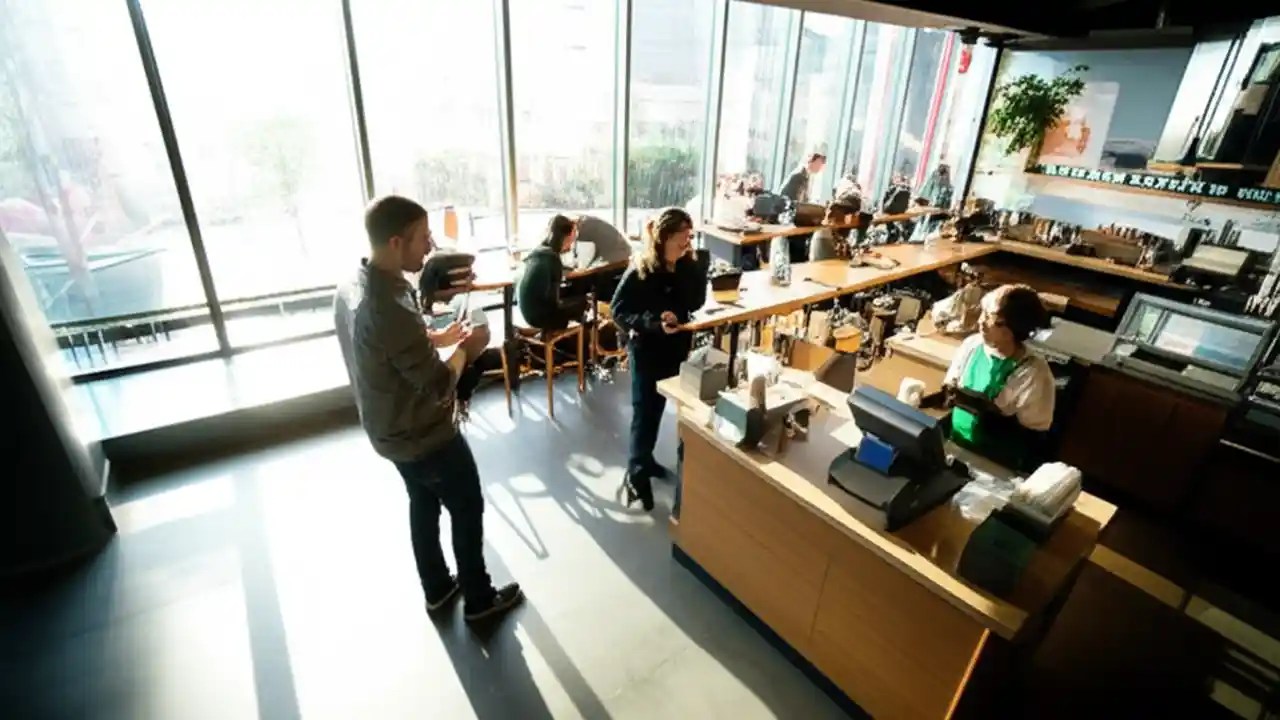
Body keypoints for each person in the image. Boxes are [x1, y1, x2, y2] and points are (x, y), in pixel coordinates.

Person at [334, 195, 523, 622]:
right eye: (423, 237)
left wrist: (432, 340)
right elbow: (439, 385)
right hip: (423, 434)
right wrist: (469, 348)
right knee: (466, 507)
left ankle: (437, 588)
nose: (431, 245)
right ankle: (479, 601)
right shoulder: (387, 305)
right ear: (396, 242)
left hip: (386, 430)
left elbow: (382, 348)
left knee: (422, 501)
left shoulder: (357, 284)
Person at [610, 207, 708, 511]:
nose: (686, 243)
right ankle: (636, 472)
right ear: (664, 237)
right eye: (681, 237)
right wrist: (653, 322)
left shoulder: (686, 265)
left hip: (676, 347)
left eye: (689, 237)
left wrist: (696, 268)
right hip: (647, 349)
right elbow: (618, 311)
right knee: (645, 410)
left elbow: (695, 303)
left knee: (659, 406)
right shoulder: (641, 269)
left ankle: (646, 459)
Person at [940, 285, 1055, 470]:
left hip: (996, 463)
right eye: (983, 313)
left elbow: (1033, 434)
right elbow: (950, 389)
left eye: (991, 319)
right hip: (957, 445)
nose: (981, 323)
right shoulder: (972, 345)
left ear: (1013, 329)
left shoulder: (1033, 372)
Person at [516, 214, 589, 331]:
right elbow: (554, 302)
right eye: (572, 238)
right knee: (583, 302)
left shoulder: (538, 252)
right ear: (566, 237)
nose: (572, 244)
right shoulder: (552, 259)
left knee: (572, 297)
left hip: (525, 312)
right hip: (540, 317)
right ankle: (576, 339)